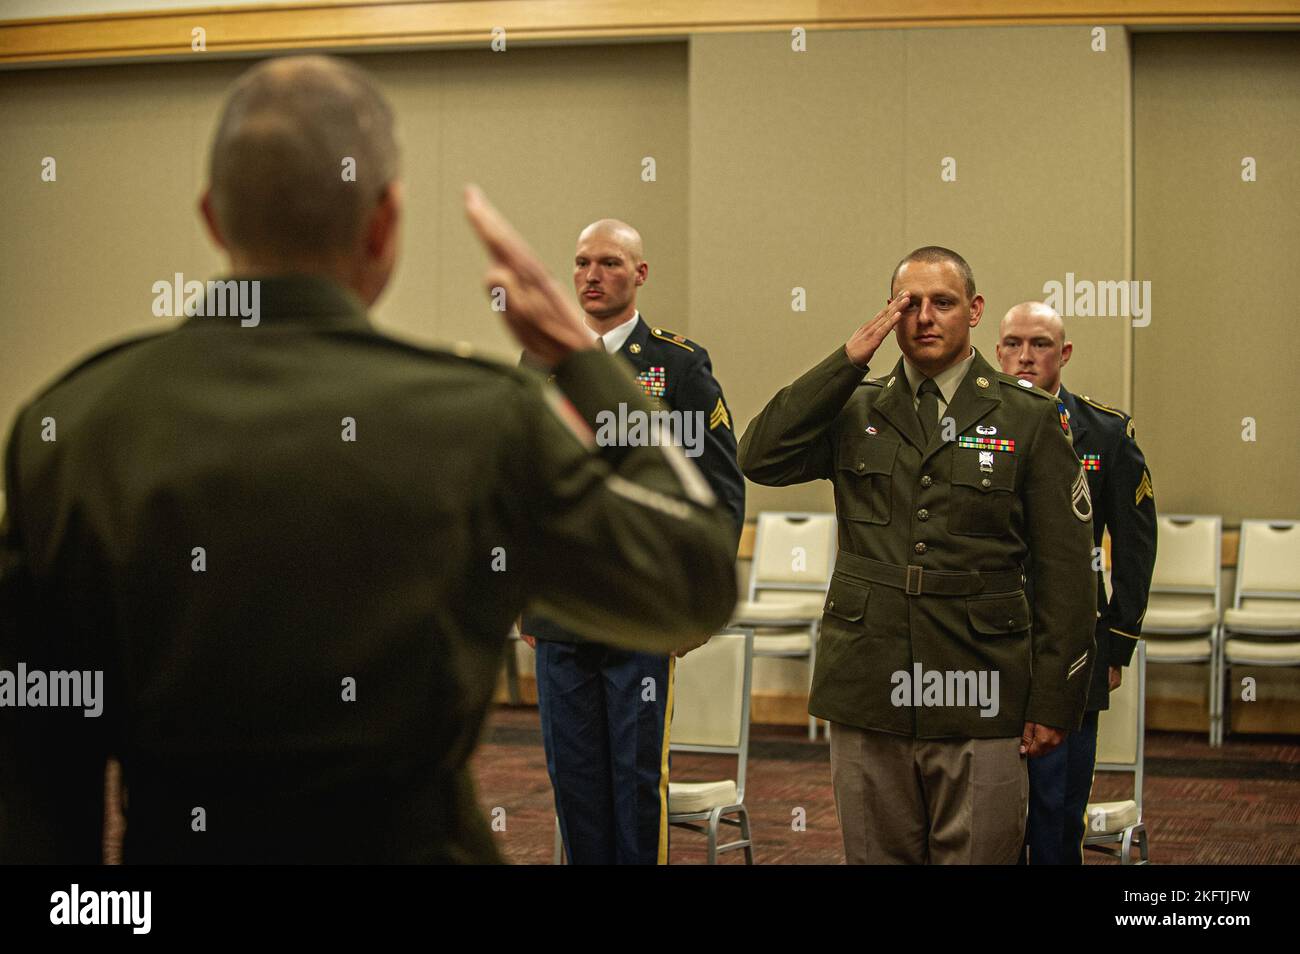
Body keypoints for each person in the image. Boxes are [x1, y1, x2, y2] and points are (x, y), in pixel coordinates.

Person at [0, 55, 738, 865]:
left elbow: (36, 781)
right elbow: (693, 579)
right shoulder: (480, 417)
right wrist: (584, 362)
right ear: (385, 223)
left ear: (213, 218)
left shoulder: (72, 427)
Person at [739, 246, 1097, 864]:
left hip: (980, 683)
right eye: (908, 304)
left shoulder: (1028, 416)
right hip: (870, 681)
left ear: (975, 311)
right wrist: (847, 360)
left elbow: (1066, 572)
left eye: (943, 302)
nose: (924, 317)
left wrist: (1053, 700)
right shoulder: (854, 408)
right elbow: (758, 455)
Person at [519, 218, 744, 865]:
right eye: (583, 262)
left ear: (640, 274)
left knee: (637, 784)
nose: (593, 275)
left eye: (610, 263)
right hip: (561, 614)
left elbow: (721, 492)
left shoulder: (677, 365)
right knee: (576, 786)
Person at [997, 301, 1156, 865]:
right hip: (984, 641)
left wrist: (1117, 642)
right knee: (988, 815)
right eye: (1013, 343)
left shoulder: (1104, 432)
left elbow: (1135, 548)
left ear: (1063, 354)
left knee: (1056, 813)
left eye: (1039, 344)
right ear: (996, 351)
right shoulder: (972, 425)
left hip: (1070, 648)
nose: (1024, 355)